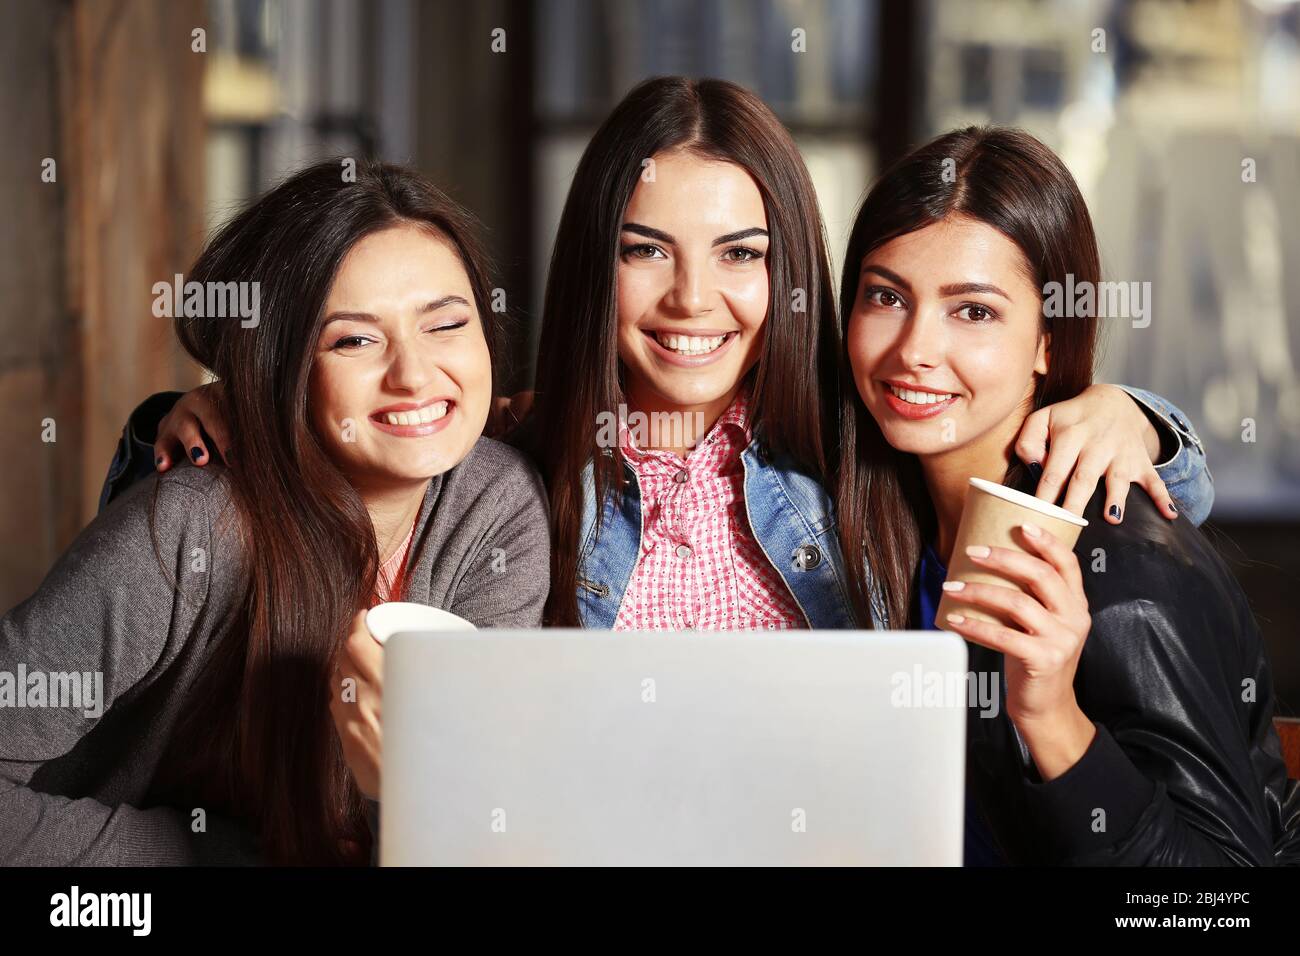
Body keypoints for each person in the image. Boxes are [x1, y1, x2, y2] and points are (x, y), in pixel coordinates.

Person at [133, 78, 1214, 633]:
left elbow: (1164, 491)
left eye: (740, 253)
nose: (694, 299)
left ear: (785, 267)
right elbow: (335, 437)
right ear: (593, 264)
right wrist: (236, 403)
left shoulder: (851, 441)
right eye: (645, 250)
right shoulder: (509, 451)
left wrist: (1134, 416)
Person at [0, 160, 550, 865]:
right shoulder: (190, 531)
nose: (413, 373)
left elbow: (467, 824)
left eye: (446, 324)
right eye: (354, 340)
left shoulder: (499, 513)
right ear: (281, 365)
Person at [836, 125, 1299, 864]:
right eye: (886, 296)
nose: (914, 349)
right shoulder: (865, 514)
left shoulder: (1125, 573)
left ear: (1049, 339)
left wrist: (1051, 717)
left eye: (974, 311)